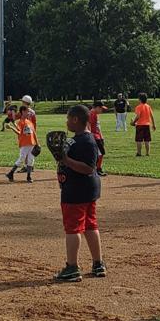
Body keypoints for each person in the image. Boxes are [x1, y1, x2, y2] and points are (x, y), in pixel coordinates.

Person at [53, 104, 106, 282]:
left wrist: (66, 160)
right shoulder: (77, 139)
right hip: (83, 189)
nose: (66, 122)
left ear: (76, 119)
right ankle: (98, 264)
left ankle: (72, 267)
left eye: (68, 118)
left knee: (73, 228)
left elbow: (88, 168)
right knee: (90, 225)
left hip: (77, 190)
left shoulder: (87, 140)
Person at [6, 103, 38, 183]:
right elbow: (19, 132)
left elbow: (34, 133)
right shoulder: (20, 122)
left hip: (32, 143)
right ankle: (11, 173)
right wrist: (11, 127)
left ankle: (28, 177)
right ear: (23, 112)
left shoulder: (29, 122)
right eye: (27, 111)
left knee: (31, 160)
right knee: (21, 159)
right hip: (24, 144)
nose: (28, 113)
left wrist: (38, 143)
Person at [88, 100, 109, 176]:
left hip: (97, 136)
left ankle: (97, 169)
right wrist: (90, 136)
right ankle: (97, 169)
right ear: (96, 107)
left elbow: (97, 127)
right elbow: (88, 125)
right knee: (100, 153)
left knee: (99, 153)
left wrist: (101, 136)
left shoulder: (94, 114)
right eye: (101, 108)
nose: (102, 110)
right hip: (94, 136)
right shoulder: (92, 114)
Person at [131, 93, 154, 157]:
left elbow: (138, 116)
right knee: (147, 140)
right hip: (147, 125)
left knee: (139, 140)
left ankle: (139, 153)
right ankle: (147, 153)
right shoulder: (148, 106)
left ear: (140, 99)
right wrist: (153, 124)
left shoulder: (138, 107)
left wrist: (133, 122)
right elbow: (151, 116)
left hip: (140, 125)